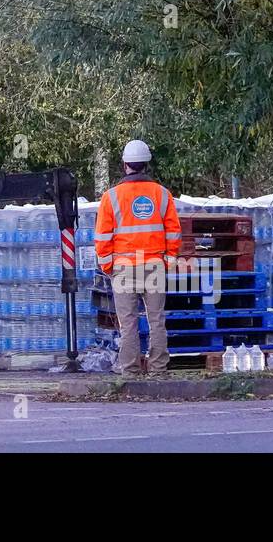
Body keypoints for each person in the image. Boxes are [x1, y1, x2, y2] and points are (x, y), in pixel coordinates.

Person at [94, 139, 182, 375]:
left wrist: (107, 266)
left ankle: (130, 372)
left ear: (125, 165)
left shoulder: (111, 197)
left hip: (123, 267)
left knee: (128, 323)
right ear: (147, 165)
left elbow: (102, 236)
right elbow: (173, 231)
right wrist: (169, 260)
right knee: (156, 321)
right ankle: (158, 370)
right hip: (154, 264)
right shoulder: (162, 194)